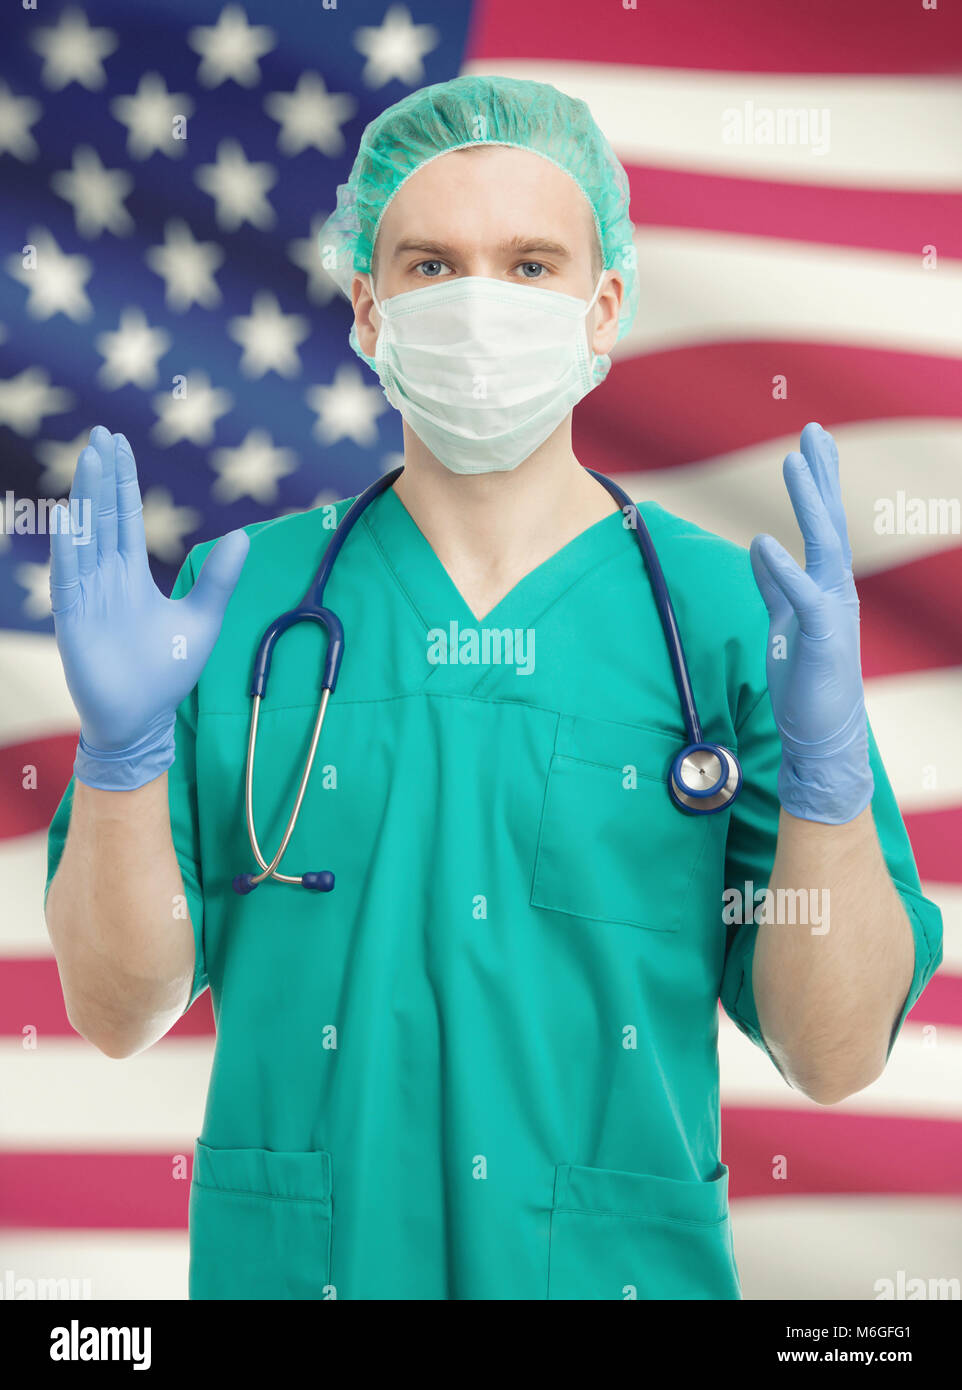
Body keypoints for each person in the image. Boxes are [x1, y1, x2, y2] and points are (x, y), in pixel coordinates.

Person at [43, 75, 942, 1301]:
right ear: (366, 306)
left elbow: (832, 1054)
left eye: (528, 265)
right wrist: (118, 760)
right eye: (429, 265)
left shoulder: (732, 619)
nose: (478, 305)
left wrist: (828, 781)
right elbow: (113, 1007)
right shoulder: (240, 601)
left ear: (602, 305)